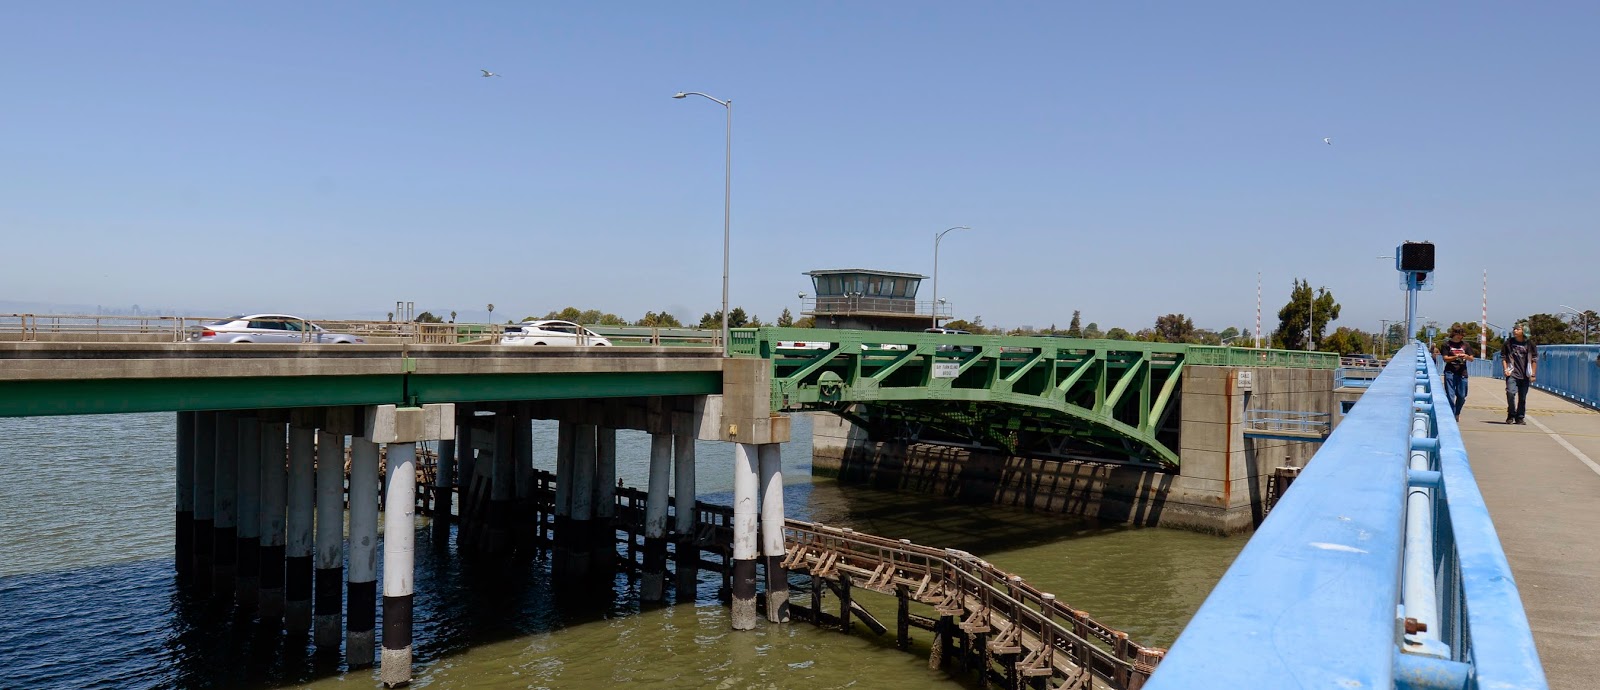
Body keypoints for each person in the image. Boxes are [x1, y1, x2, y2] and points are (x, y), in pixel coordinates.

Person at [1500, 324, 1538, 425]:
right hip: (1512, 373)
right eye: (1514, 329)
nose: (1515, 330)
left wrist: (1533, 374)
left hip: (1525, 374)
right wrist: (1505, 369)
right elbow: (1503, 357)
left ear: (1524, 331)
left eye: (1518, 329)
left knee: (1522, 397)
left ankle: (1520, 417)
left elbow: (1534, 360)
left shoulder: (1530, 344)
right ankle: (1511, 414)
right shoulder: (1509, 343)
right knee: (1510, 393)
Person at [1434, 327, 1473, 420]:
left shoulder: (1466, 345)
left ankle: (1457, 412)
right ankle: (1451, 415)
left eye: (1462, 335)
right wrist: (1455, 357)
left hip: (1462, 373)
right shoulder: (1446, 345)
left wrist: (1466, 356)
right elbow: (1445, 358)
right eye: (1459, 335)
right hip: (1450, 372)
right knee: (1450, 395)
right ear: (1454, 334)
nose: (1461, 337)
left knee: (1462, 396)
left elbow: (1471, 358)